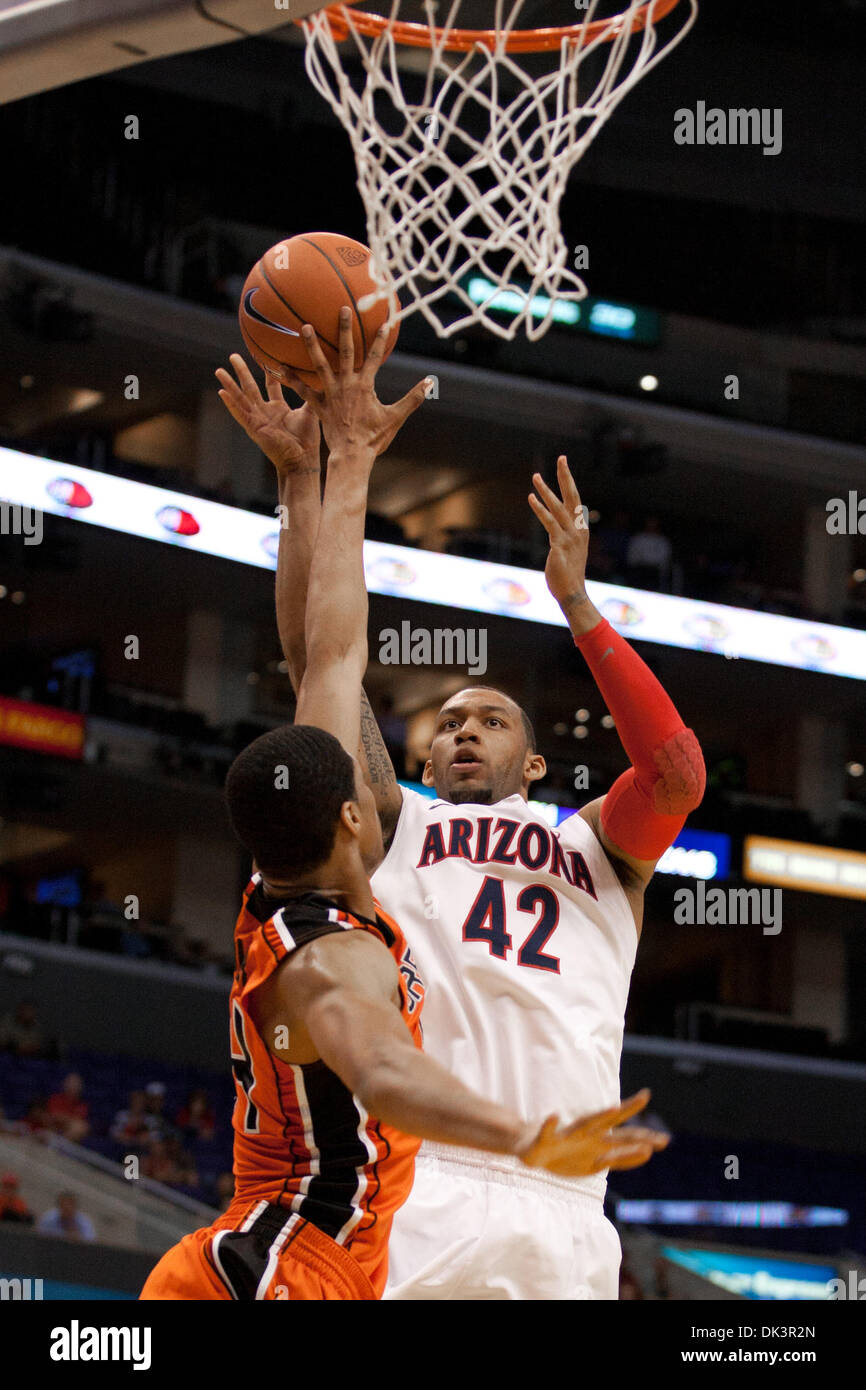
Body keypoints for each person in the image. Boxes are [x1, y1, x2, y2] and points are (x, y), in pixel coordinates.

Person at [140, 320, 667, 1304]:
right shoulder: (335, 939)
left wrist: (316, 483)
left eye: (490, 716)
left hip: (320, 1242)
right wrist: (524, 1133)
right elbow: (382, 1068)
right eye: (449, 718)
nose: (464, 729)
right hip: (307, 1254)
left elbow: (327, 657)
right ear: (357, 816)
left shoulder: (317, 905)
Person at [46, 1072, 89, 1143]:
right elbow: (54, 1117)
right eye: (71, 1082)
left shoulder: (82, 1105)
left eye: (76, 1084)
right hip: (52, 1127)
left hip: (67, 1132)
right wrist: (68, 1120)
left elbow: (79, 1124)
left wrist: (64, 1119)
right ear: (65, 1083)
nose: (73, 1086)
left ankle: (60, 1144)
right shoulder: (56, 1098)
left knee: (80, 1127)